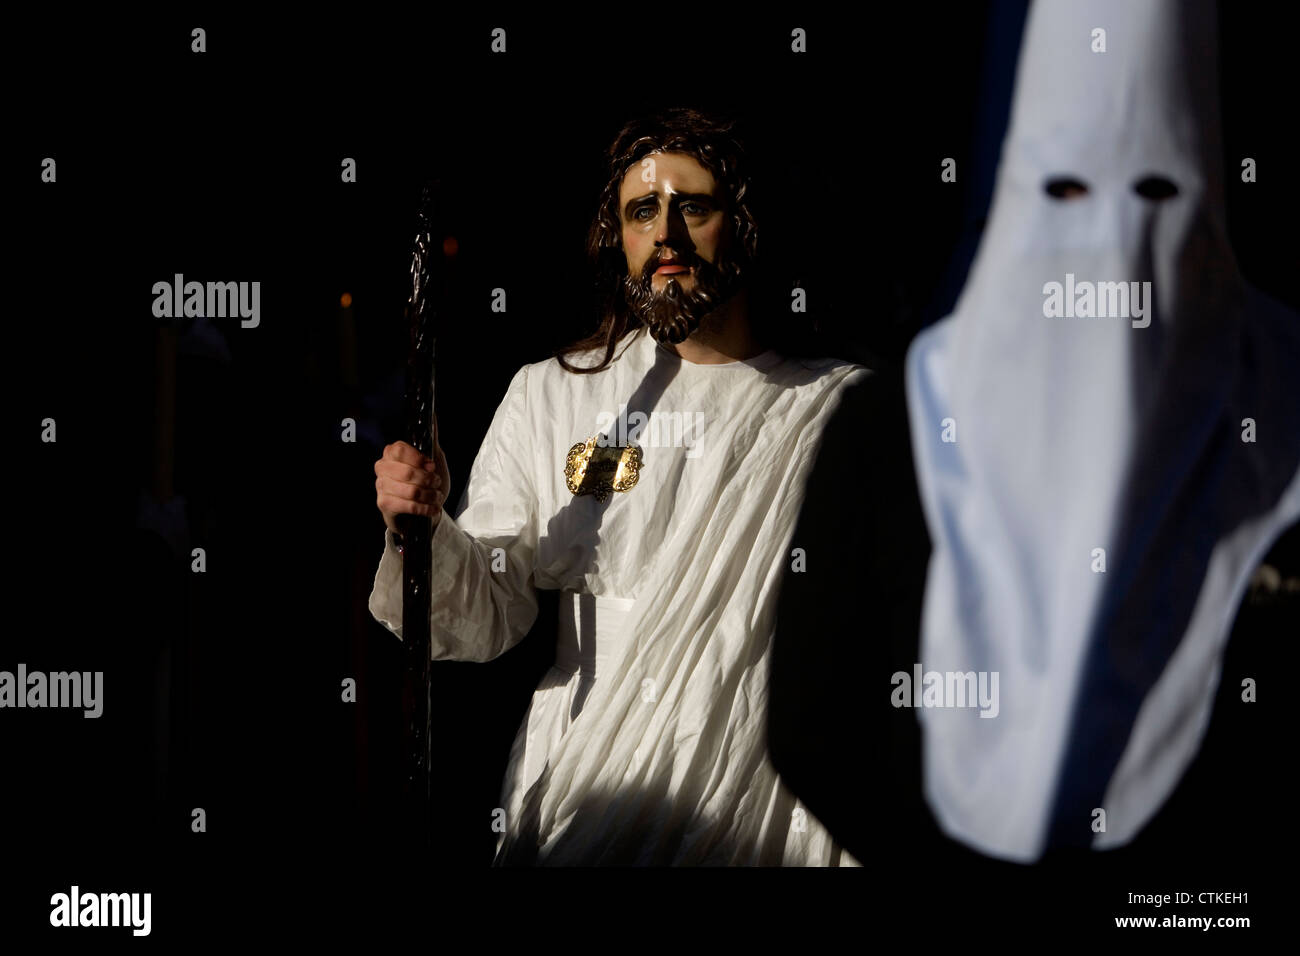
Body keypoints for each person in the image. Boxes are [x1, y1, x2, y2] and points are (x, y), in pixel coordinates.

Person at [369, 108, 867, 865]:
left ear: (745, 225)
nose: (665, 233)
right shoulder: (552, 396)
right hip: (592, 794)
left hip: (764, 810)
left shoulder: (837, 408)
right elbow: (486, 617)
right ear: (619, 237)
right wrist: (424, 529)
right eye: (642, 211)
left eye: (692, 206)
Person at [898, 0, 1300, 863]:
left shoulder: (1278, 410)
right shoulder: (915, 409)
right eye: (1067, 193)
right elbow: (816, 714)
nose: (1114, 241)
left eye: (1157, 191)